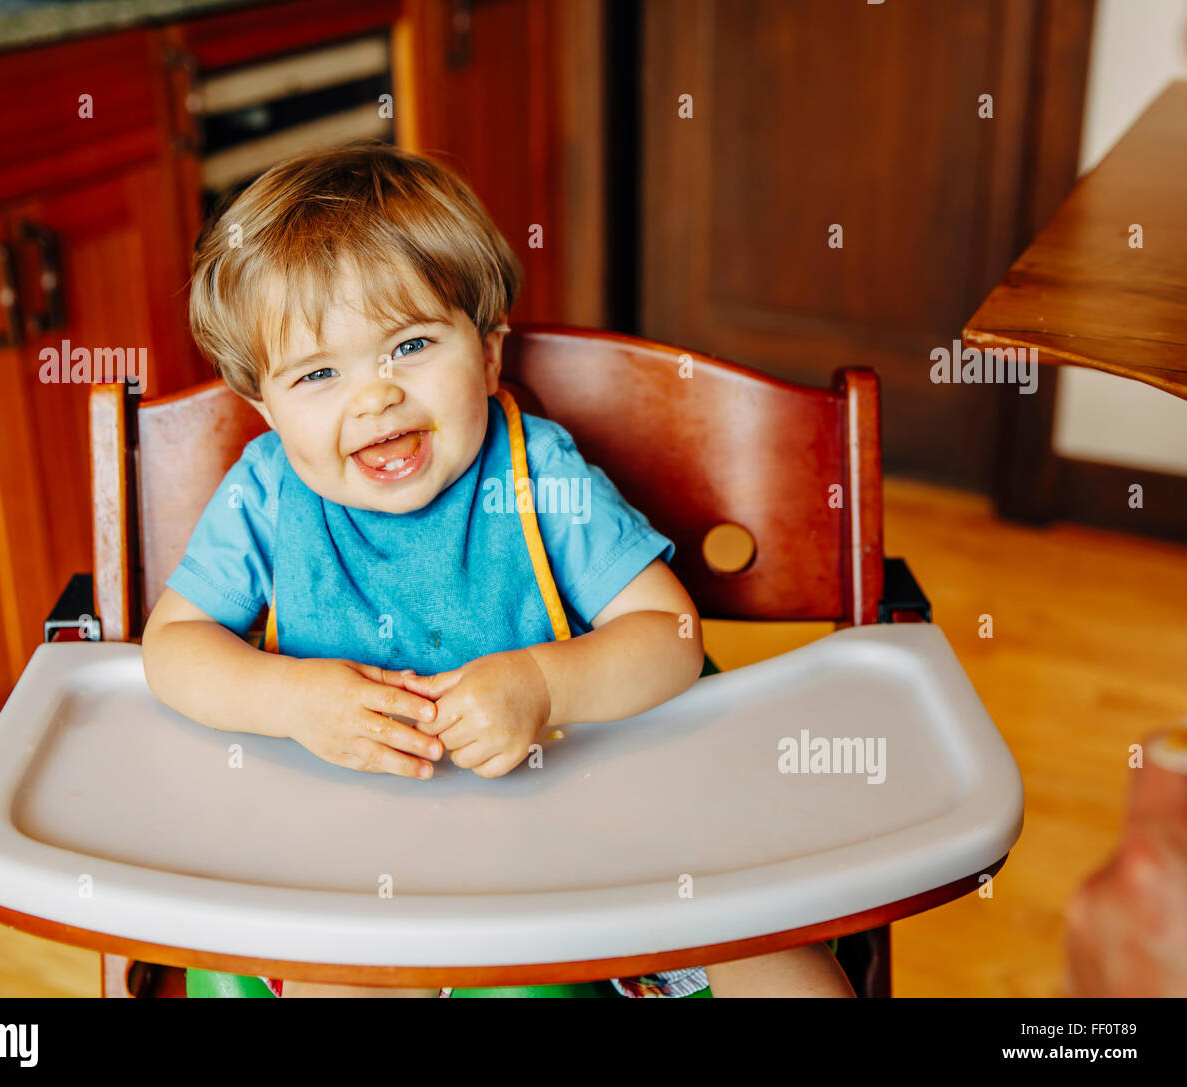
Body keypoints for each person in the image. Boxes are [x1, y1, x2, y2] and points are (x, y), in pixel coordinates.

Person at [141, 140, 854, 999]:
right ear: (265, 407)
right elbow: (172, 648)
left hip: (587, 835)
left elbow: (669, 634)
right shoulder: (264, 495)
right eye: (320, 373)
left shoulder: (539, 473)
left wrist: (543, 687)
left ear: (486, 353)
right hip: (358, 851)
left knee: (787, 971)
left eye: (408, 347)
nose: (374, 397)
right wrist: (292, 699)